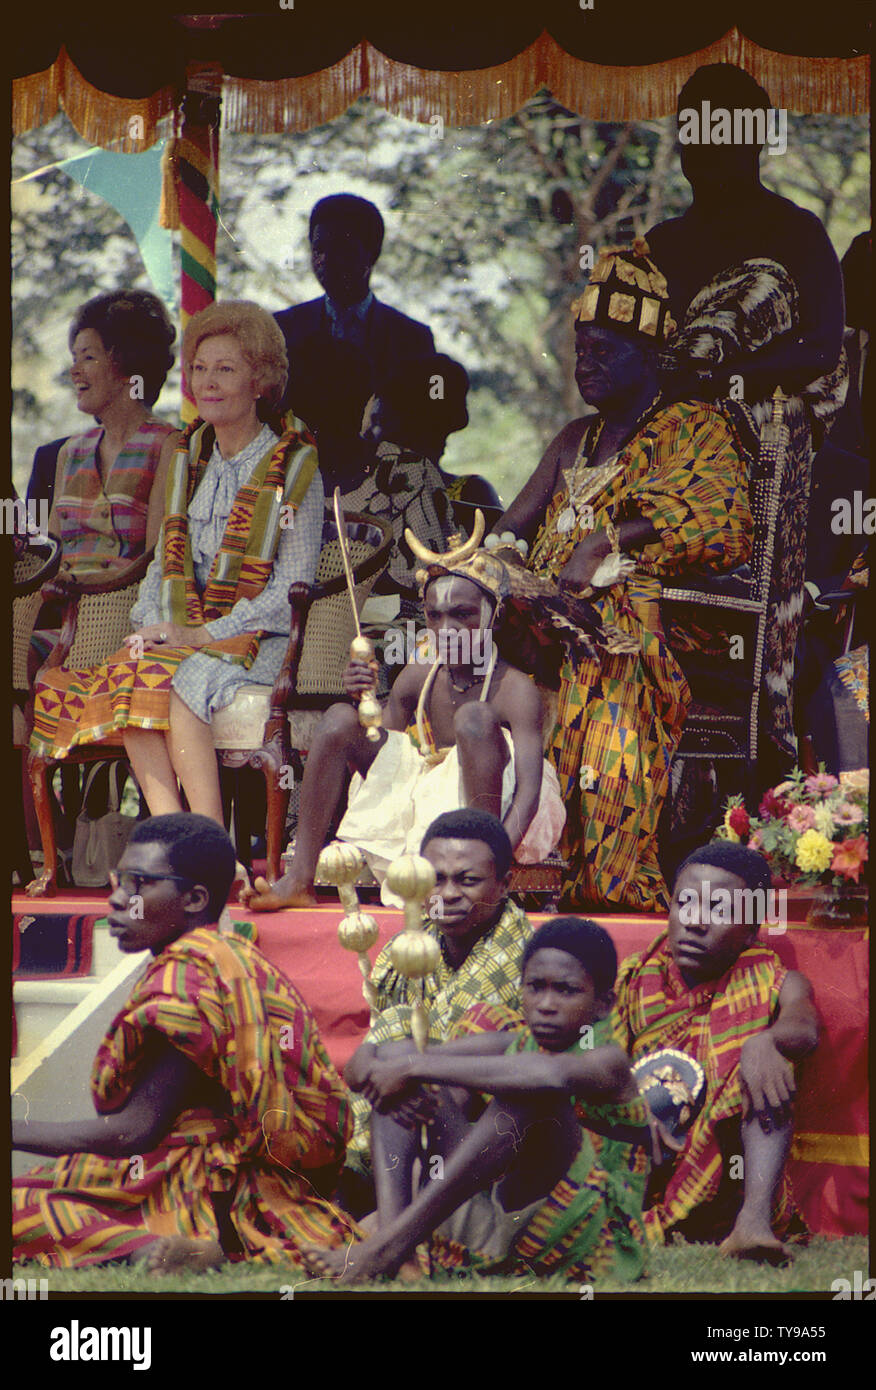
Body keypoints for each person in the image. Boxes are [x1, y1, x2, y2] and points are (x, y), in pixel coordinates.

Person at [493, 241, 752, 911]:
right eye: (582, 351)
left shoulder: (692, 428)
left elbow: (721, 518)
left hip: (654, 627)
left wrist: (607, 541)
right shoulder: (573, 437)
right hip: (548, 622)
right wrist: (500, 566)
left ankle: (606, 886)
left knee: (607, 656)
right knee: (460, 649)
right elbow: (512, 526)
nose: (589, 364)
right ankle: (495, 870)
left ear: (650, 358)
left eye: (607, 351)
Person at [29, 301, 324, 840]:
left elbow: (289, 591)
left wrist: (201, 633)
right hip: (190, 632)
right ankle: (178, 840)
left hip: (261, 637)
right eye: (200, 368)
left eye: (226, 369)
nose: (206, 382)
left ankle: (209, 842)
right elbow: (162, 567)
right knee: (129, 673)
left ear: (260, 381)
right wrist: (147, 627)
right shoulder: (189, 458)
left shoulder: (295, 464)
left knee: (186, 678)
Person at [12, 814, 358, 1270]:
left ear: (195, 899)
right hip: (251, 1179)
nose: (118, 899)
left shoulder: (190, 975)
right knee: (44, 1188)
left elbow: (136, 1130)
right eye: (119, 882)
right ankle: (196, 1241)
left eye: (140, 885)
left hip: (204, 1182)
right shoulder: (227, 958)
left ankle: (147, 1249)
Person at [647, 63, 848, 780]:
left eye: (723, 135)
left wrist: (725, 380)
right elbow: (635, 359)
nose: (705, 152)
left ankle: (771, 791)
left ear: (755, 141)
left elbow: (823, 348)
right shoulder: (663, 243)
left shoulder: (796, 232)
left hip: (775, 468)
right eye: (693, 134)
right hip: (673, 471)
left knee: (775, 642)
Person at [304, 917, 650, 1286]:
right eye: (535, 987)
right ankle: (398, 1251)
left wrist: (412, 1067)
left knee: (528, 1096)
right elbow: (370, 1065)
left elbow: (551, 1076)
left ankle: (385, 1248)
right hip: (515, 1212)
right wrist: (394, 1066)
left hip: (592, 1234)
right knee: (406, 1072)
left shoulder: (607, 1060)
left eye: (566, 991)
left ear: (603, 1003)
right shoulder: (514, 1041)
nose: (546, 1004)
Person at [242, 534, 564, 912]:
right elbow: (379, 768)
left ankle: (475, 876)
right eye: (435, 616)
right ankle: (299, 879)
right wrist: (361, 701)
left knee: (474, 719)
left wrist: (495, 860)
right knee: (339, 720)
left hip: (501, 805)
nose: (447, 629)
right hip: (430, 790)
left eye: (463, 614)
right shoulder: (418, 676)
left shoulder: (515, 690)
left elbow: (528, 792)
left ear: (496, 615)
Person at [611, 841, 819, 1261]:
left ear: (749, 932)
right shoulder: (636, 974)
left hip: (727, 1166)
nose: (694, 922)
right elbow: (599, 1059)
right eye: (685, 903)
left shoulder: (771, 977)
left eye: (719, 911)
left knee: (768, 1066)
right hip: (645, 1146)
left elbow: (804, 1027)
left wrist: (768, 1040)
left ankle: (753, 1223)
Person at [28, 290, 180, 674]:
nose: (74, 371)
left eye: (88, 357)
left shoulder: (168, 444)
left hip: (120, 623)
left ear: (126, 364)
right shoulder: (70, 452)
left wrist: (83, 585)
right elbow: (50, 552)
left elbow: (156, 557)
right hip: (62, 621)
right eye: (74, 359)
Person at [274, 193, 436, 491]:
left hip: (389, 489)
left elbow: (425, 431)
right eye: (319, 248)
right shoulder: (282, 329)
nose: (326, 261)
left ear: (372, 253)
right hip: (297, 485)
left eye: (342, 249)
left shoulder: (412, 339)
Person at [345, 353, 470, 597]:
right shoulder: (368, 491)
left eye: (379, 421)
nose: (368, 432)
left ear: (410, 423)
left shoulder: (471, 490)